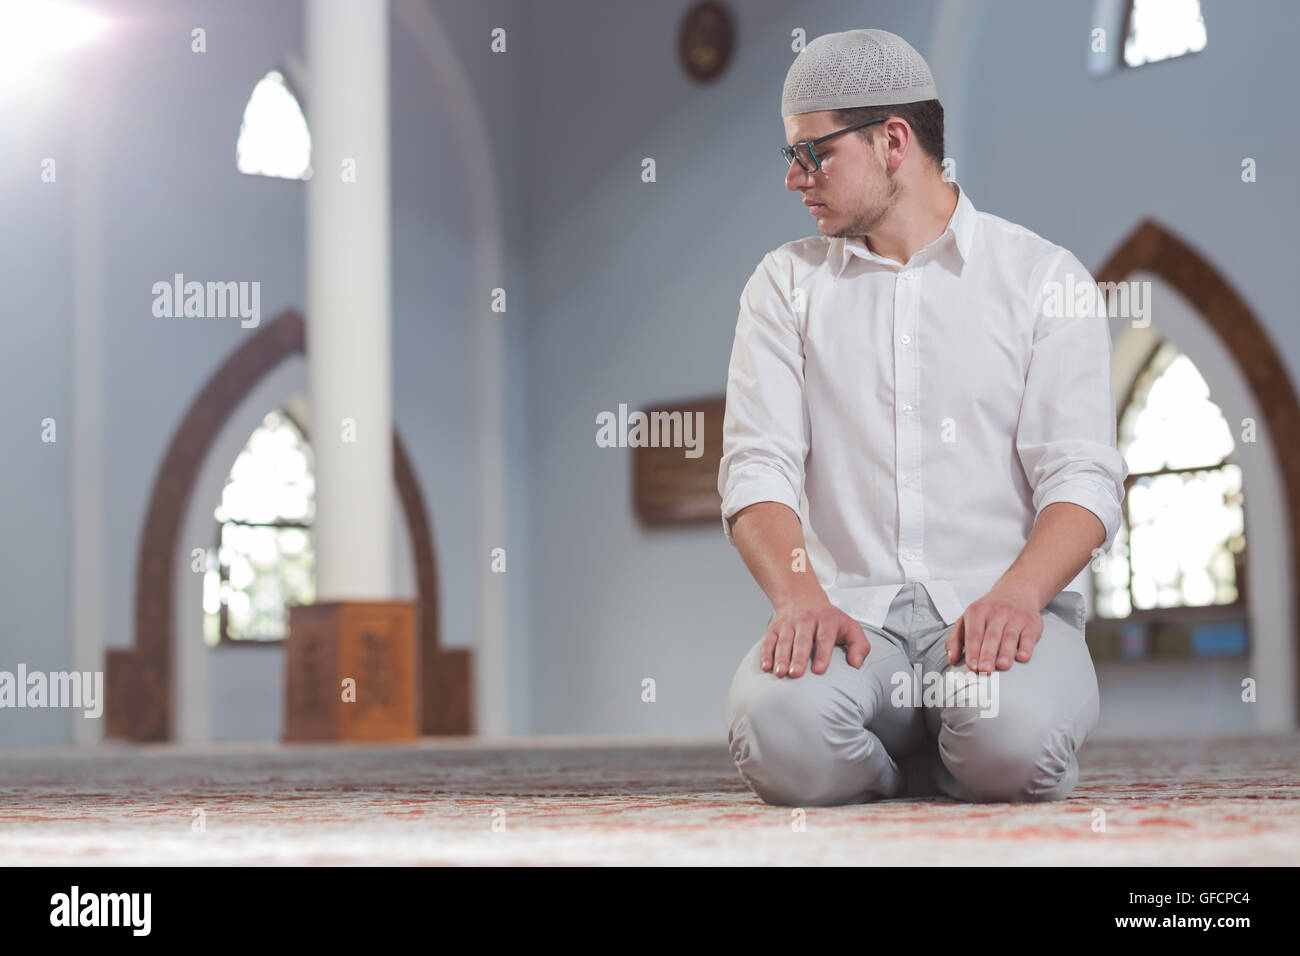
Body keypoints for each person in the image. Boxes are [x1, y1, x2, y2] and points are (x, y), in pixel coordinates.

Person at [719, 28, 1128, 805]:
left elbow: (1083, 476)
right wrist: (800, 597)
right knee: (777, 733)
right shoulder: (783, 286)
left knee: (1011, 743)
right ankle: (908, 768)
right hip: (849, 621)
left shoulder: (1043, 279)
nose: (794, 179)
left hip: (999, 616)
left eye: (813, 153)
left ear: (892, 141)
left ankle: (951, 746)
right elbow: (756, 464)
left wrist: (1017, 594)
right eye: (789, 157)